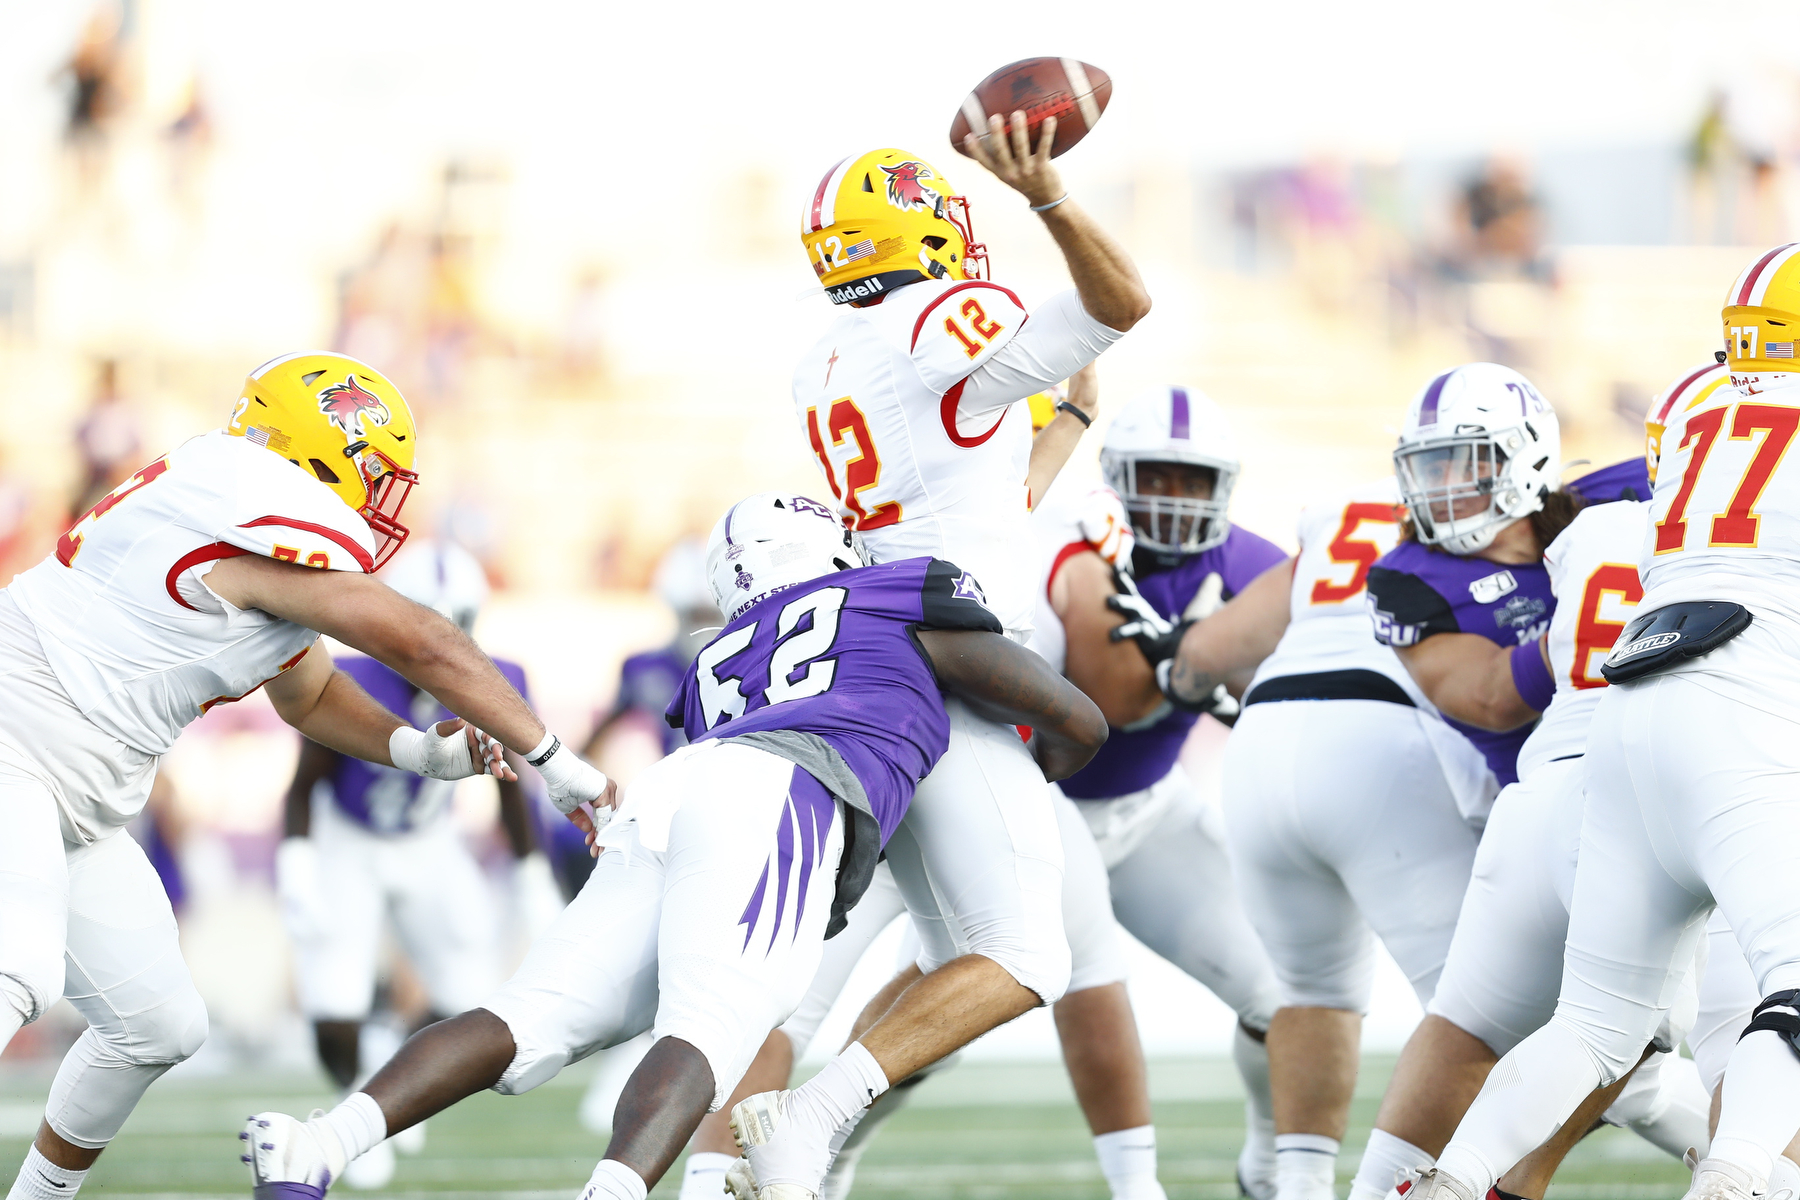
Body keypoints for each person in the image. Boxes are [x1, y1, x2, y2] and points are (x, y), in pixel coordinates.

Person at [239, 491, 1108, 1200]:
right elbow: (1072, 714)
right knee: (712, 1023)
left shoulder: (714, 655)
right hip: (782, 789)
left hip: (680, 784)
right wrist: (1048, 768)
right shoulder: (896, 591)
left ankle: (320, 1143)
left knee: (527, 1015)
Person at [0, 351, 607, 1200]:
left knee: (155, 1027)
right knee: (18, 968)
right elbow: (418, 640)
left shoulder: (233, 506)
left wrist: (422, 752)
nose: (378, 498)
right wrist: (555, 759)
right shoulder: (250, 492)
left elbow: (310, 691)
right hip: (15, 740)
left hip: (78, 791)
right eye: (370, 473)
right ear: (319, 455)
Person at [733, 110, 1150, 1200]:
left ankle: (795, 1144)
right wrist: (1049, 197)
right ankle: (807, 1124)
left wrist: (1061, 429)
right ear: (927, 235)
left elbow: (966, 504)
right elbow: (1123, 302)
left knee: (942, 946)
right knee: (1024, 955)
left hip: (883, 658)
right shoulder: (947, 314)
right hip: (952, 672)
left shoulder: (827, 355)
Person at [1393, 244, 1800, 1200]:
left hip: (1626, 710)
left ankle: (1453, 1184)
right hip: (1739, 717)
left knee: (1592, 1022)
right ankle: (1735, 1180)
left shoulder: (1696, 403)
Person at [1341, 364, 1732, 1200]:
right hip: (1603, 803)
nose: (1441, 488)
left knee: (1542, 1036)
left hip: (1544, 808)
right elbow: (1481, 697)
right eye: (1429, 466)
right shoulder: (1413, 574)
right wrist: (1592, 629)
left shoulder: (1599, 507)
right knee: (1633, 1031)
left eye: (1462, 462)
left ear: (1523, 458)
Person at [1037, 385, 1287, 1198]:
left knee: (1280, 997)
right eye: (1156, 476)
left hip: (1148, 816)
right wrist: (1187, 672)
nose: (1173, 498)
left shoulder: (1255, 567)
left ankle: (1266, 1159)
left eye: (1191, 479)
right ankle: (833, 1149)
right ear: (1114, 475)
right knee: (927, 1041)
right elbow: (1106, 705)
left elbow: (1300, 694)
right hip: (1034, 822)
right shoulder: (1073, 551)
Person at [275, 538, 565, 1188]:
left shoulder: (500, 677)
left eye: (454, 629)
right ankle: (354, 1110)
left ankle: (389, 1059)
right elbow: (305, 781)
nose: (440, 647)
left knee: (475, 1002)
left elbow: (510, 781)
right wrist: (296, 863)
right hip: (344, 838)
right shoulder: (355, 673)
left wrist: (532, 876)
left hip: (429, 840)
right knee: (334, 1004)